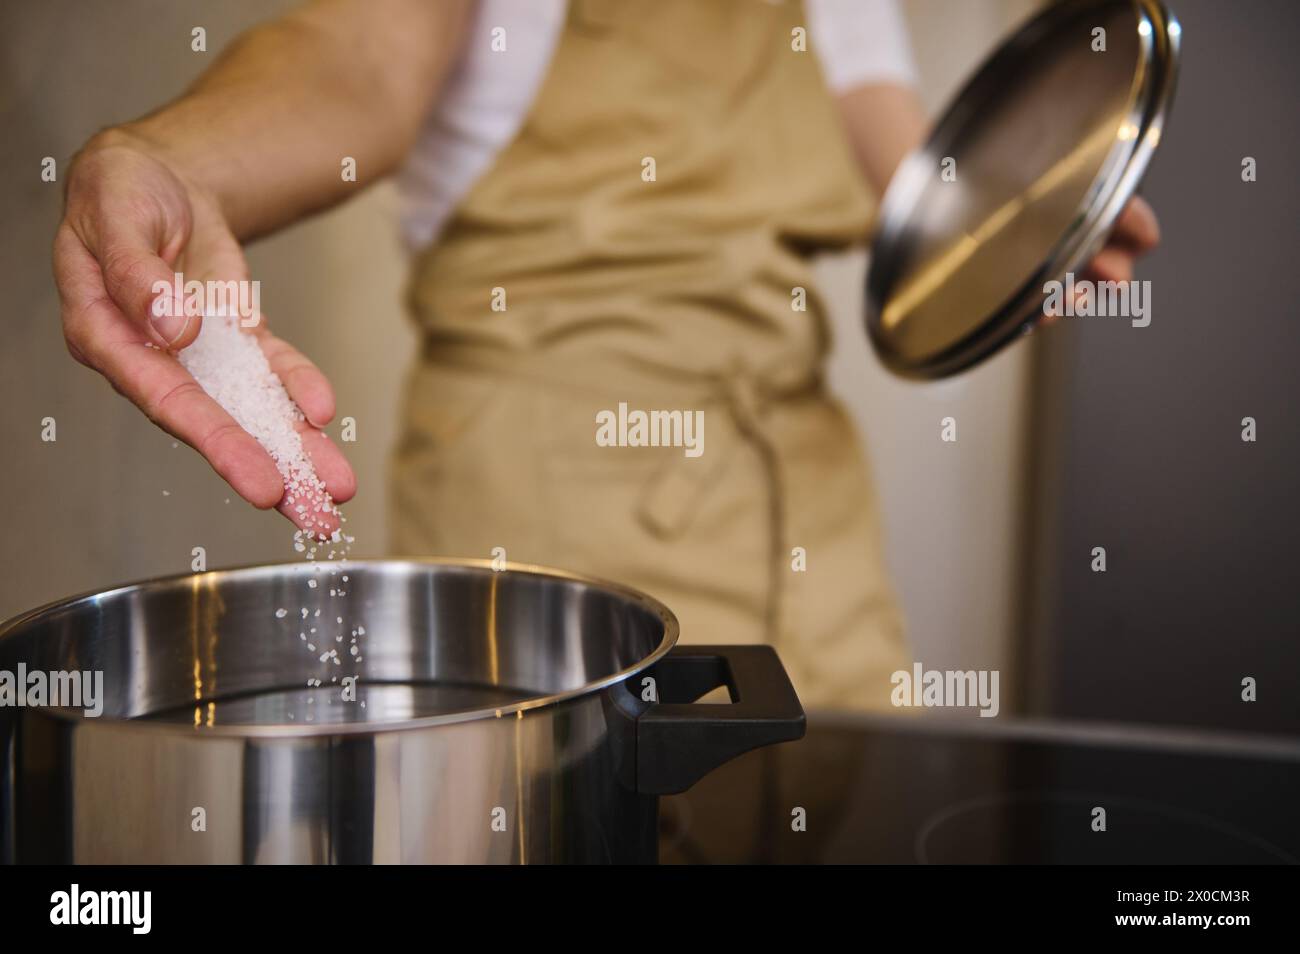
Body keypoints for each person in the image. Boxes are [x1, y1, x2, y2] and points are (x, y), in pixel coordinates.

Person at [53, 0, 1160, 710]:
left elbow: (925, 194)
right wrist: (172, 156)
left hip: (809, 505)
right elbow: (355, 61)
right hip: (557, 510)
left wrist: (1025, 229)